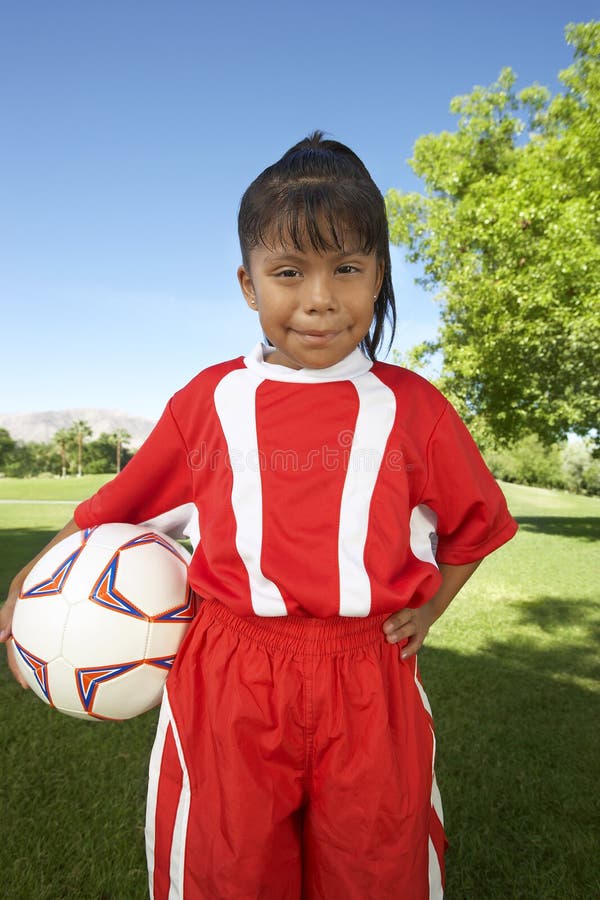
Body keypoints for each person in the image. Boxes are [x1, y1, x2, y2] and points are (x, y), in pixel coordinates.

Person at [0, 132, 518, 899]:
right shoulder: (209, 401)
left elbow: (477, 526)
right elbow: (111, 509)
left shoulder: (416, 411)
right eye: (289, 272)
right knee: (226, 870)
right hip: (231, 674)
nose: (319, 298)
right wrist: (29, 584)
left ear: (378, 277)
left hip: (367, 675)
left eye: (348, 269)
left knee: (378, 868)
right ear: (248, 284)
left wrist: (431, 612)